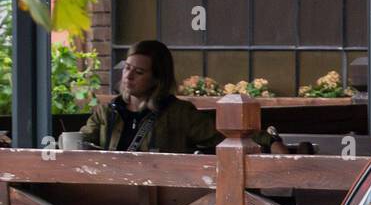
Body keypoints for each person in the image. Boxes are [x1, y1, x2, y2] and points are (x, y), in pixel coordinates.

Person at [80, 40, 286, 154]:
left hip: (162, 204)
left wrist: (269, 140)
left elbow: (223, 135)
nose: (128, 76)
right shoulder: (106, 112)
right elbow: (81, 143)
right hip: (109, 196)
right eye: (127, 68)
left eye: (139, 72)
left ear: (157, 79)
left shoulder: (179, 113)